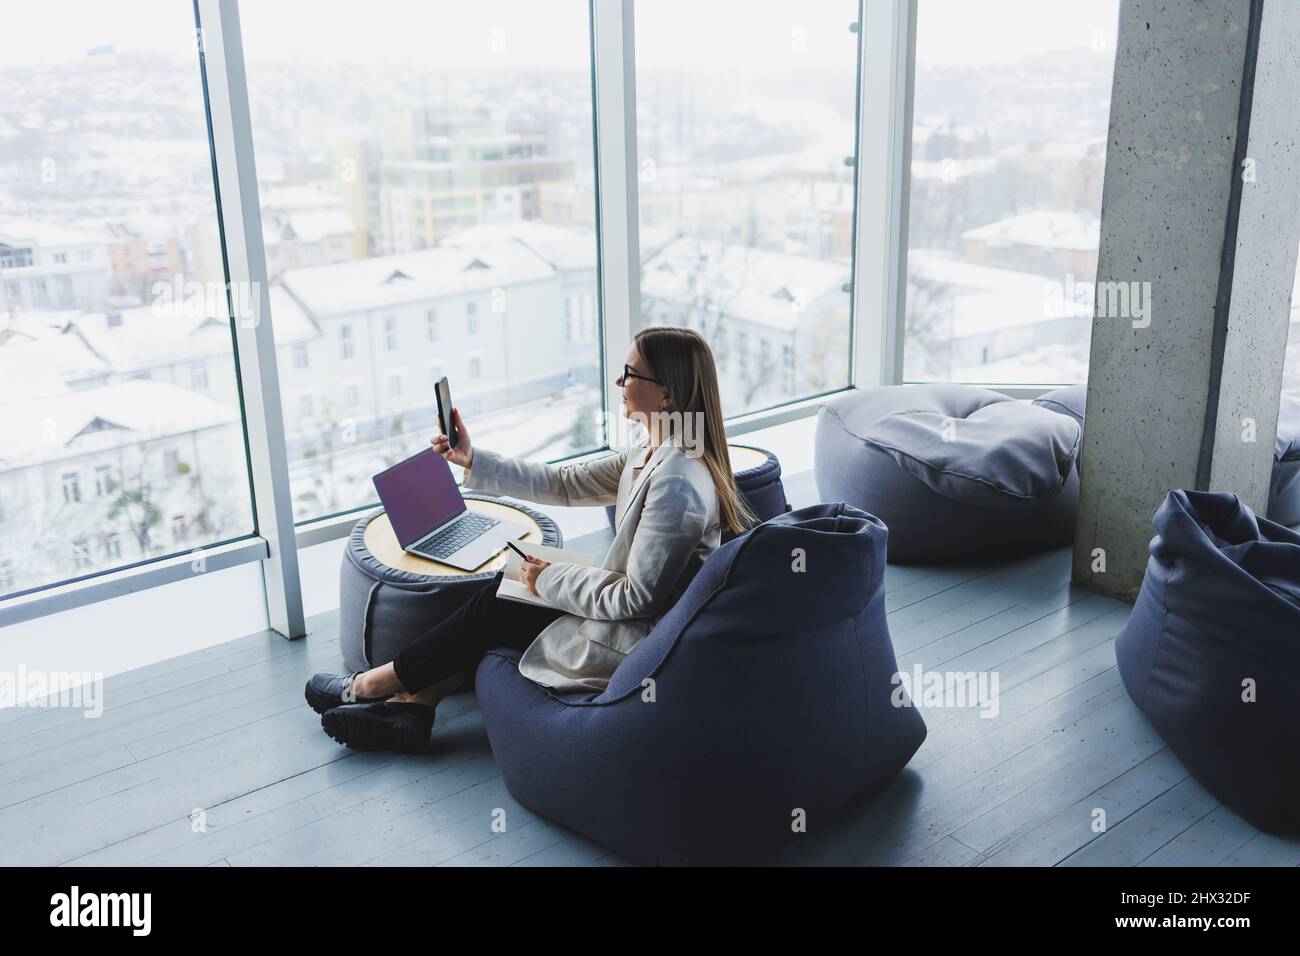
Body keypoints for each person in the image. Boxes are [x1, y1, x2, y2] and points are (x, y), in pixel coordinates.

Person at [305, 326, 756, 752]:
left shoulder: (678, 482)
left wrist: (549, 580)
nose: (619, 381)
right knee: (507, 585)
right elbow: (564, 483)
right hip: (623, 612)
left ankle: (370, 685)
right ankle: (413, 706)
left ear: (667, 393)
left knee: (500, 601)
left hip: (636, 639)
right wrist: (472, 458)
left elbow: (636, 598)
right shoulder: (652, 449)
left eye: (631, 373)